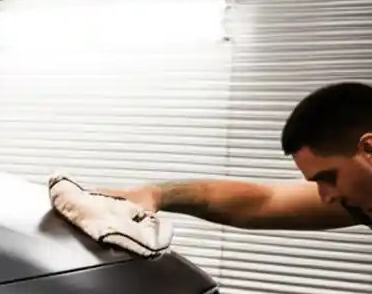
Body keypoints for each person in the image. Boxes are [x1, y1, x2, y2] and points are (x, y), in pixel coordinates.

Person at [109, 82, 372, 230]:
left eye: (329, 178)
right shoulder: (359, 201)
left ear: (368, 149)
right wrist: (157, 195)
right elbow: (262, 203)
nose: (327, 198)